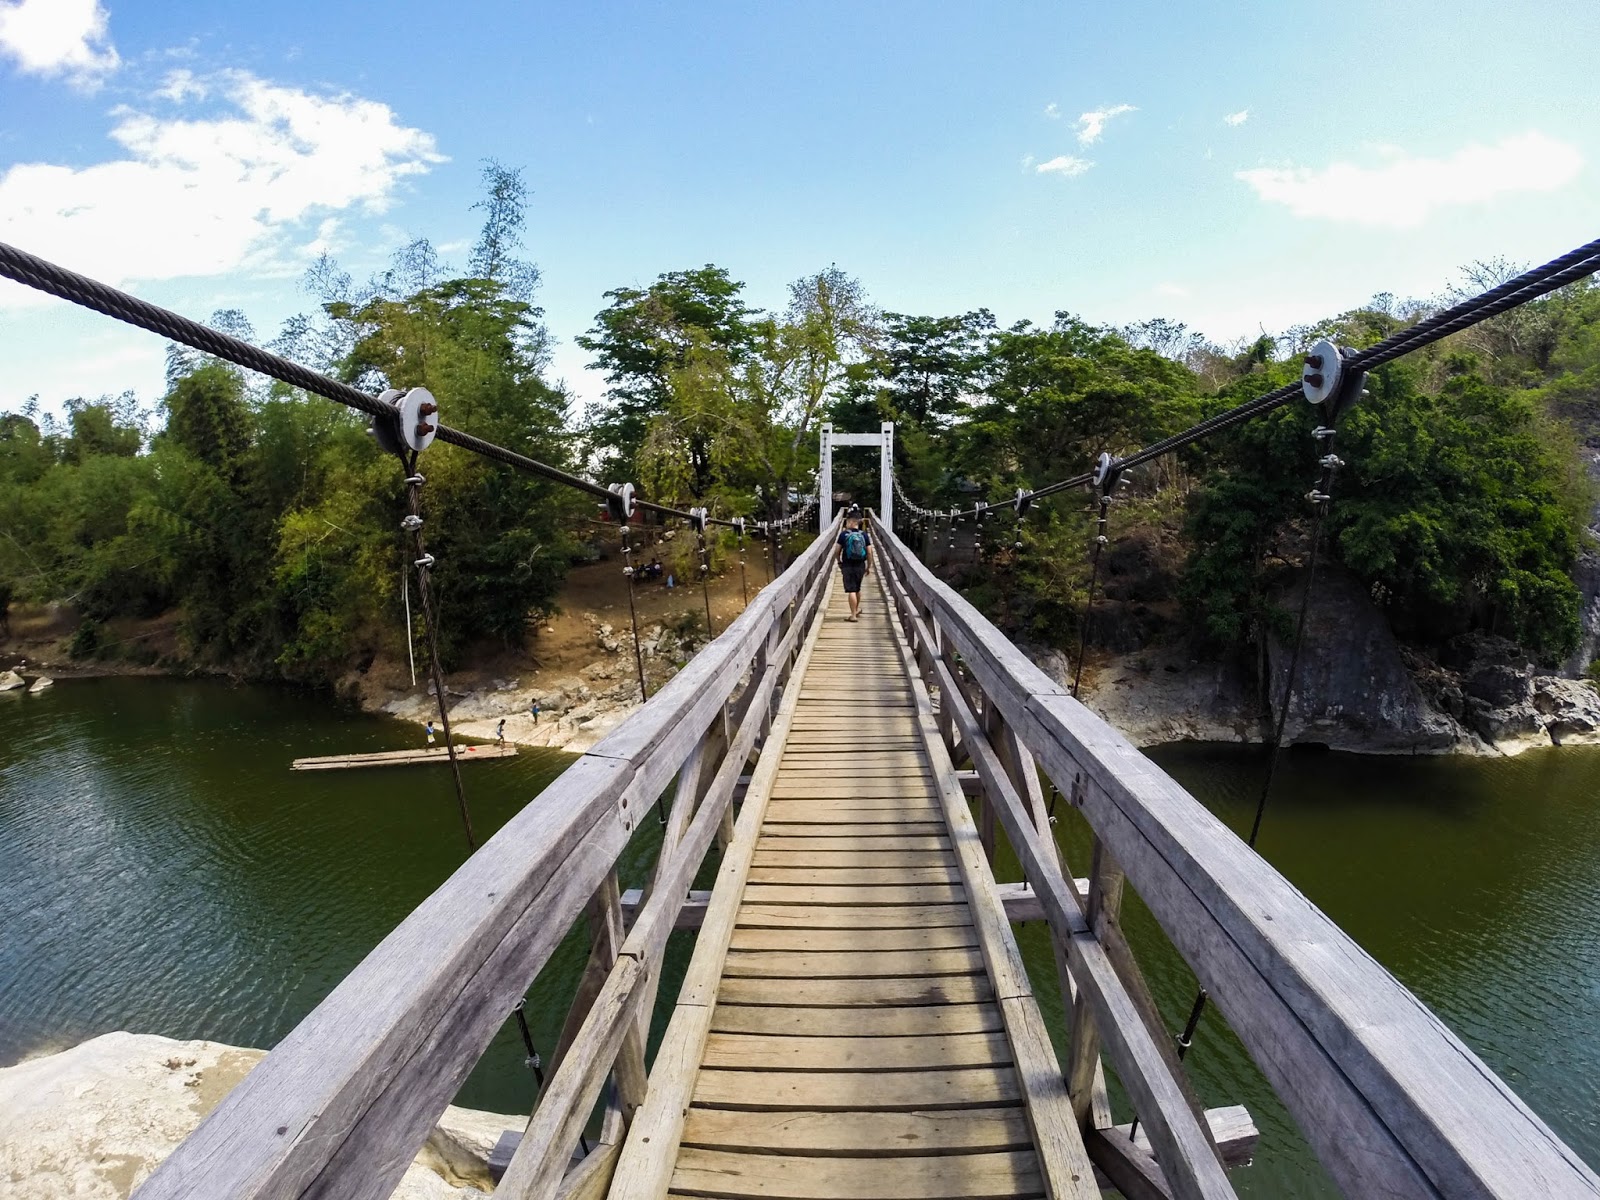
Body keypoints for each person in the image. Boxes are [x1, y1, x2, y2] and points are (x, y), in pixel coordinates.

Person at [835, 505, 873, 621]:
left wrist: (839, 561)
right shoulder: (864, 535)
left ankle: (853, 615)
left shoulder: (843, 535)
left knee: (851, 590)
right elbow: (870, 552)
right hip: (860, 565)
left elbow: (837, 551)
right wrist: (868, 566)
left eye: (847, 521)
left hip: (847, 564)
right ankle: (856, 610)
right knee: (857, 588)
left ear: (851, 522)